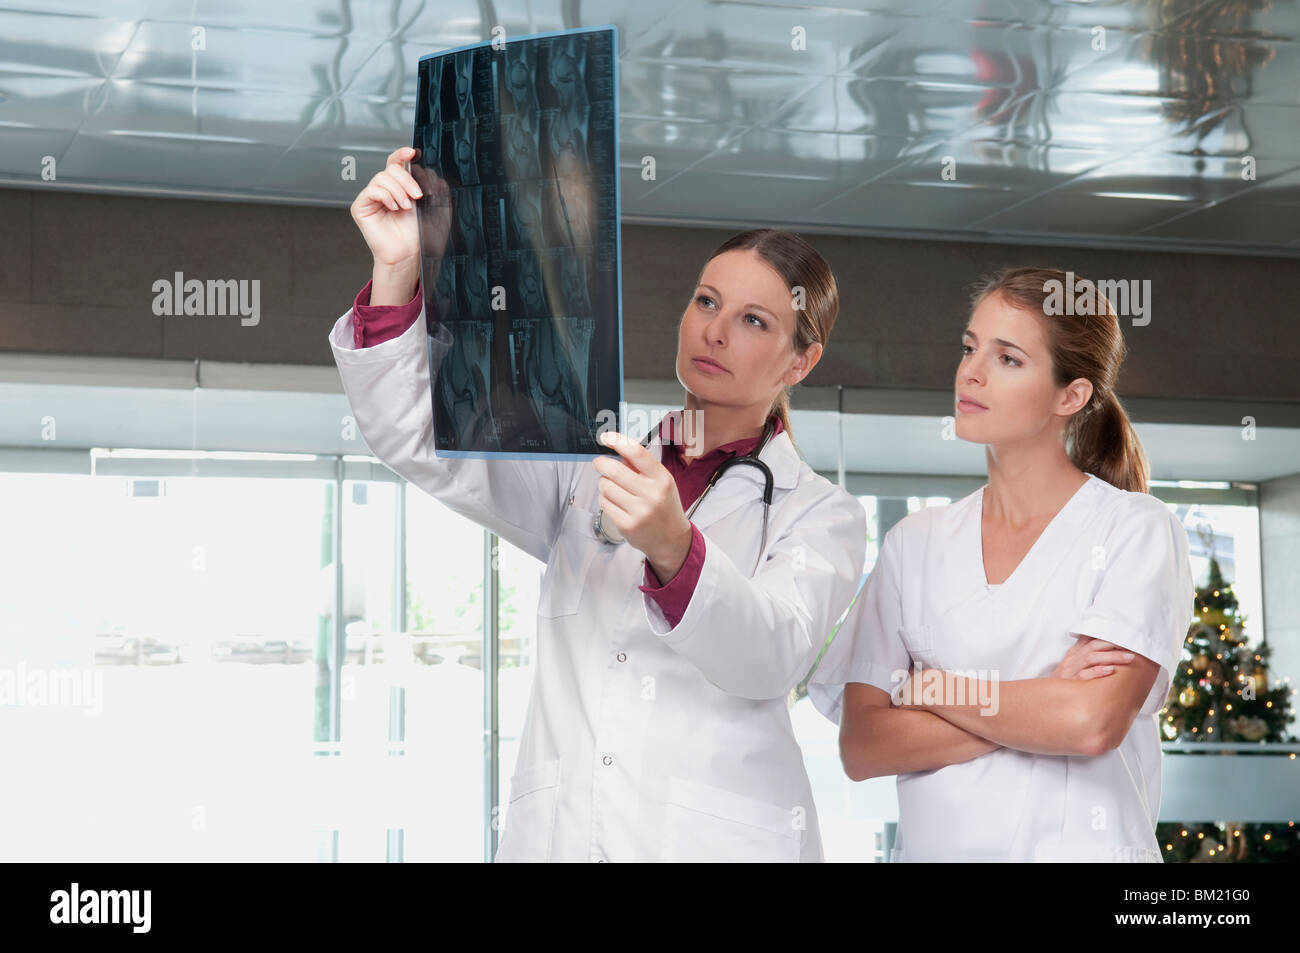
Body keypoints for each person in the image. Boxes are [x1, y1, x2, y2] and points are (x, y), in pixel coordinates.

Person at [329, 146, 866, 861]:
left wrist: (676, 546)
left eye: (754, 321)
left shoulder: (820, 513)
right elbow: (422, 440)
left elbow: (770, 654)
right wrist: (398, 269)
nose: (715, 330)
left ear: (801, 362)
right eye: (706, 301)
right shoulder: (592, 457)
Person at [809, 266, 1195, 862]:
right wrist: (1041, 699)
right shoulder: (915, 543)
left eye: (1009, 358)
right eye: (970, 347)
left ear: (1071, 396)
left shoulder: (1136, 531)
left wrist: (928, 687)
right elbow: (864, 746)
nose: (972, 371)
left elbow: (1089, 725)